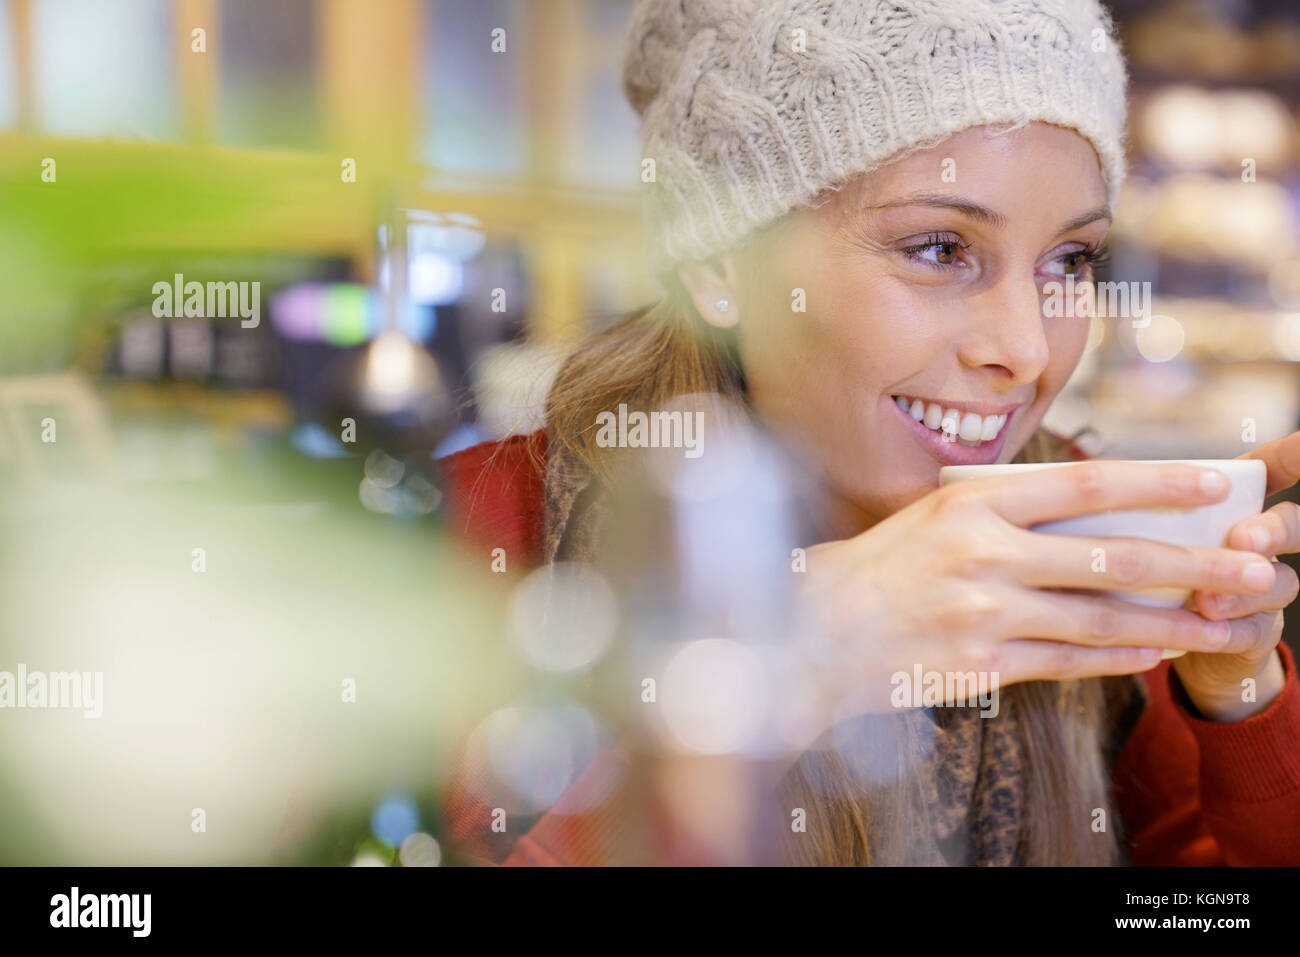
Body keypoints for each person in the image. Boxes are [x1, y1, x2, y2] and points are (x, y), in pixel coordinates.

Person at [436, 0, 1300, 865]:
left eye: (1070, 261)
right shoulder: (473, 539)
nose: (1028, 350)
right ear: (717, 262)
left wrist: (1235, 691)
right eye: (939, 248)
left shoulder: (1075, 528)